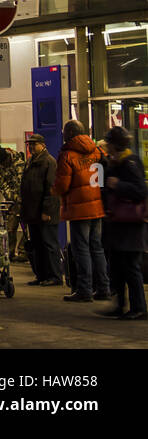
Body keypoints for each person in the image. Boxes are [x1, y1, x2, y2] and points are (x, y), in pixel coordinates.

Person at [53, 120, 111, 302]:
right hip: (96, 206)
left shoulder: (67, 155)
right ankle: (103, 287)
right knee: (97, 248)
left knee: (81, 250)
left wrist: (53, 191)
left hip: (79, 209)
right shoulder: (96, 150)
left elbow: (63, 185)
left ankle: (85, 289)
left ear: (68, 134)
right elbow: (101, 177)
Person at [99, 125, 147, 320]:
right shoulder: (116, 162)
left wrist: (117, 185)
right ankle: (119, 305)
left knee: (130, 267)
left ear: (115, 145)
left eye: (108, 143)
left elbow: (140, 191)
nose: (106, 147)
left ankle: (139, 307)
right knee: (117, 267)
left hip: (130, 226)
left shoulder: (130, 163)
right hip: (118, 223)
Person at [20, 134, 62, 286]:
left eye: (34, 144)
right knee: (38, 245)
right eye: (30, 145)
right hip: (33, 212)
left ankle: (55, 276)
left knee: (49, 245)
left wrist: (47, 211)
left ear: (42, 145)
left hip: (45, 213)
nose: (31, 147)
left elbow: (51, 189)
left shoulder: (49, 162)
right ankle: (42, 275)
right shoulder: (31, 161)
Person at [0, 144, 25, 260]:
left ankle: (22, 252)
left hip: (25, 199)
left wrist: (20, 198)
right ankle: (10, 253)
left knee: (27, 228)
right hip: (13, 200)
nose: (3, 166)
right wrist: (13, 197)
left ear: (8, 158)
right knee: (11, 227)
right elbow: (2, 184)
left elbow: (22, 183)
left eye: (4, 163)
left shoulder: (19, 162)